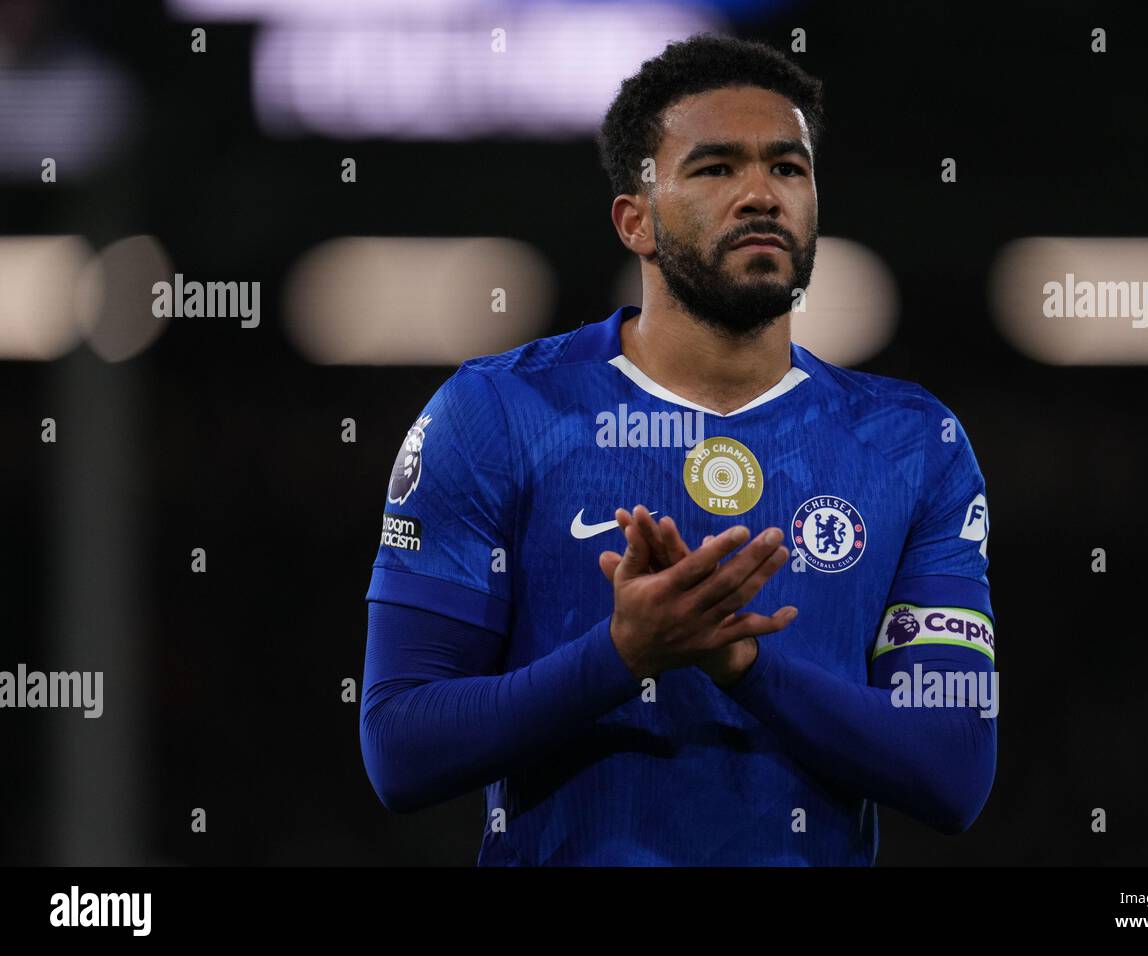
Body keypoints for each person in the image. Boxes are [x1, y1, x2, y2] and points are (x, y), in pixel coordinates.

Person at [361, 33, 995, 865]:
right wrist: (622, 655)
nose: (762, 194)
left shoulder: (913, 443)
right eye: (716, 168)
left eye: (789, 168)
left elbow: (953, 773)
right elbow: (398, 748)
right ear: (636, 221)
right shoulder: (496, 414)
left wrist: (743, 665)